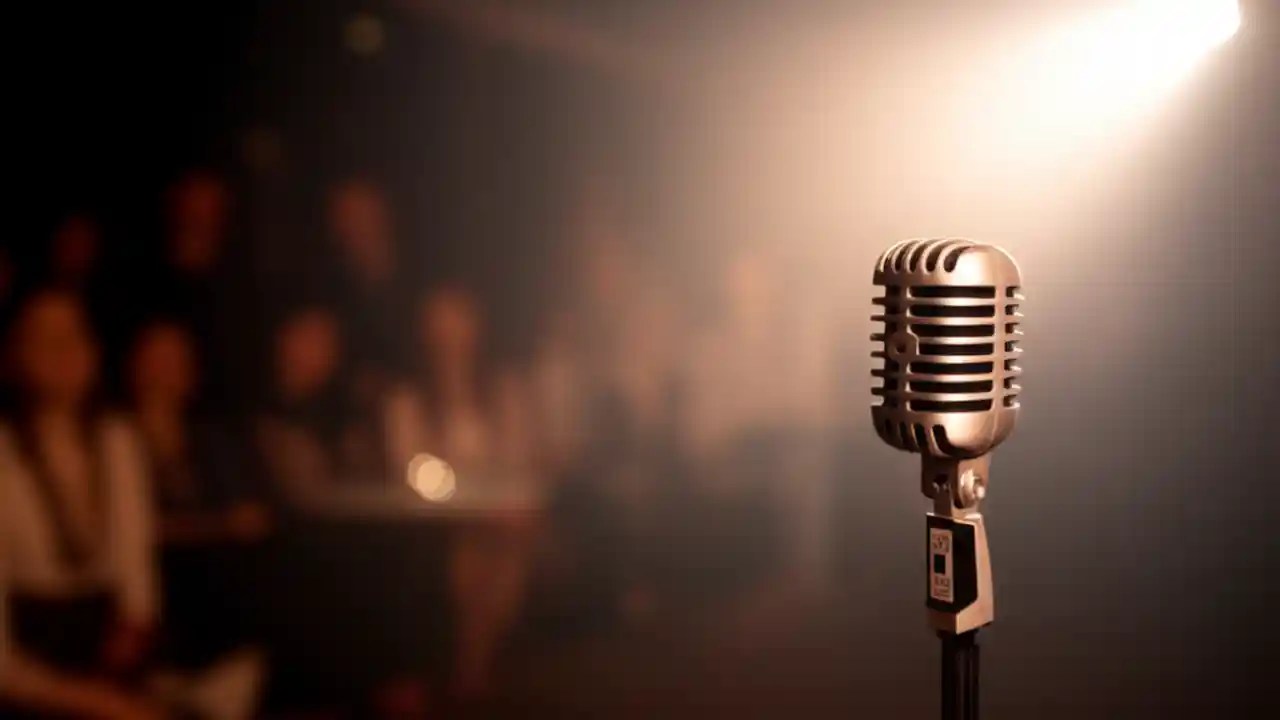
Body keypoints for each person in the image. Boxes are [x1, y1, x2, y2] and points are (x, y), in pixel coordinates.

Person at [0, 288, 161, 720]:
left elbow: (138, 587)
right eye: (46, 339)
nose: (66, 351)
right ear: (13, 354)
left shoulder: (117, 440)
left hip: (111, 662)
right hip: (34, 677)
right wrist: (98, 703)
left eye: (75, 335)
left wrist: (129, 647)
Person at [383, 285, 539, 700]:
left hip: (498, 516)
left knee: (507, 549)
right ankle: (471, 671)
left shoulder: (503, 388)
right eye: (441, 323)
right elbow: (412, 466)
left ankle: (472, 665)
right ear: (425, 331)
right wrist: (466, 494)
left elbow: (518, 456)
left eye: (460, 321)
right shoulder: (408, 396)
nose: (451, 334)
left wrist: (492, 495)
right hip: (435, 520)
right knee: (468, 553)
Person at [127, 320, 270, 677]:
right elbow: (131, 532)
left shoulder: (211, 443)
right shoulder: (117, 441)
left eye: (177, 361)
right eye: (157, 359)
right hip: (156, 586)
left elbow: (251, 518)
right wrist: (216, 525)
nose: (166, 372)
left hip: (219, 589)